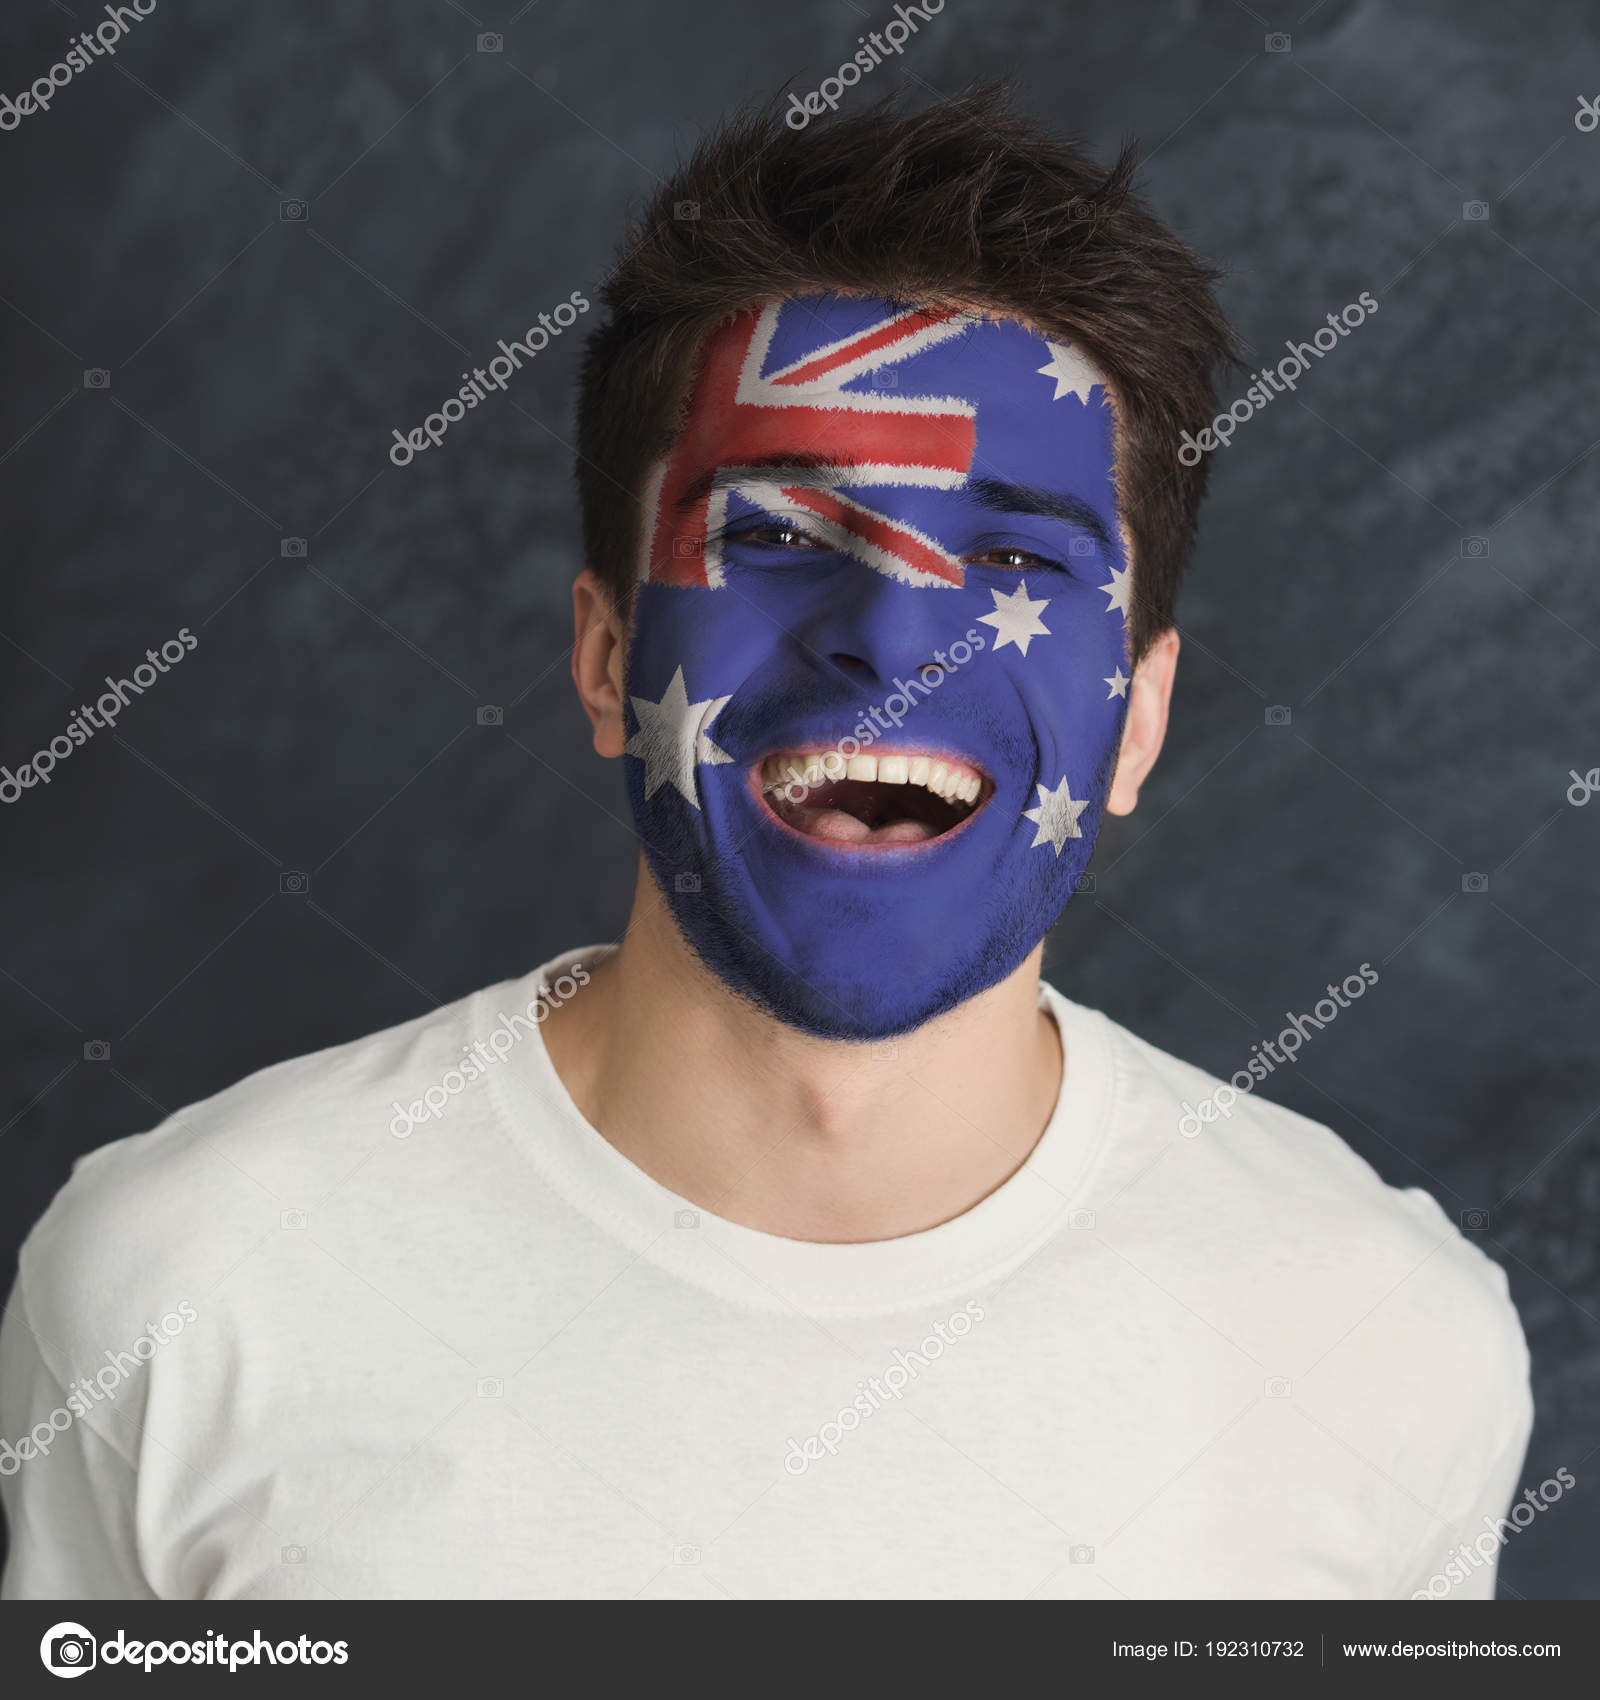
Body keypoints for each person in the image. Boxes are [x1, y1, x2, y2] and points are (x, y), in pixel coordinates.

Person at [1, 87, 1530, 1601]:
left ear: (1138, 716)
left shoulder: (1387, 1340)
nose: (891, 644)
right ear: (605, 660)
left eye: (1009, 558)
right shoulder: (183, 1288)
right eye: (781, 539)